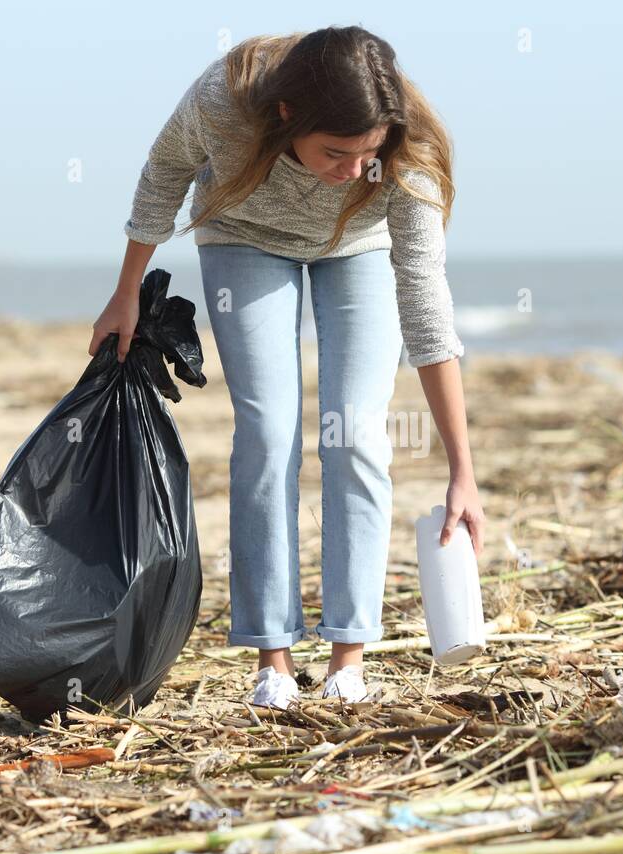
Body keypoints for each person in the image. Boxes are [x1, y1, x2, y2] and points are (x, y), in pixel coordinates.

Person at [89, 26, 484, 707]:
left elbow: (426, 306)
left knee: (356, 434)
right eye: (336, 151)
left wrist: (463, 471)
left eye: (369, 153)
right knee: (270, 433)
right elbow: (163, 175)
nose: (355, 168)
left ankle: (347, 660)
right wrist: (126, 290)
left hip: (358, 250)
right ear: (286, 118)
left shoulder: (406, 150)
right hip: (242, 238)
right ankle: (273, 661)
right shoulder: (224, 100)